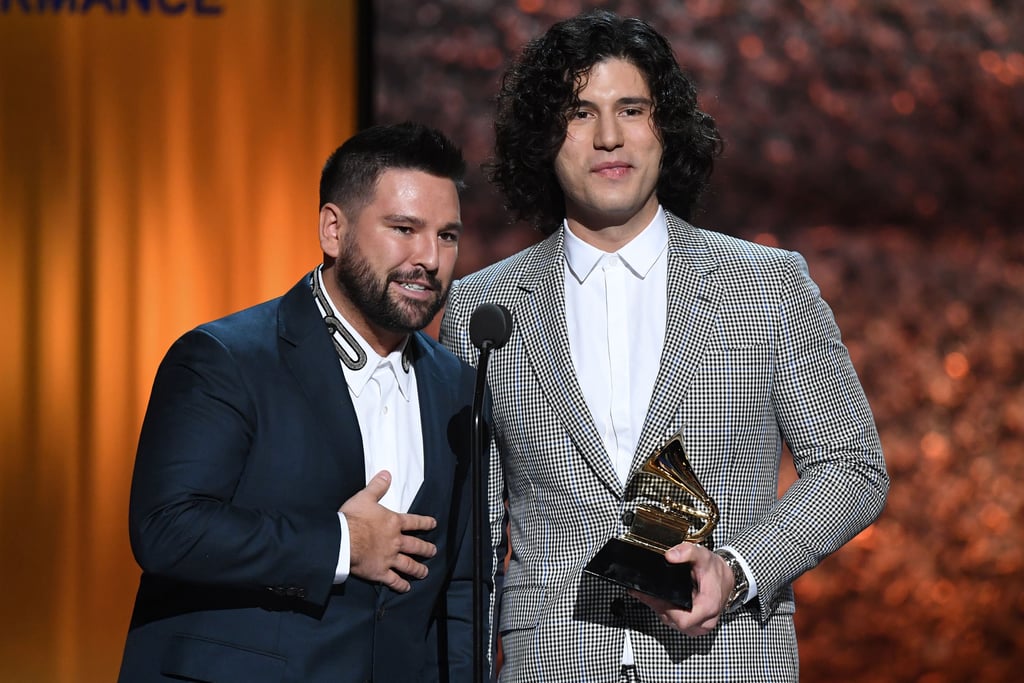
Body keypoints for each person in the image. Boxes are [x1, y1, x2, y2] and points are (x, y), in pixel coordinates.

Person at [440, 10, 889, 682]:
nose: (609, 137)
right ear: (544, 135)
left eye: (631, 109)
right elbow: (471, 537)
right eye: (580, 112)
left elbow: (851, 465)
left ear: (665, 126)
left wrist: (739, 568)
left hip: (726, 660)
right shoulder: (484, 306)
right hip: (553, 662)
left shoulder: (765, 285)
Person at [119, 122, 482, 682]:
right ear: (333, 230)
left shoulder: (456, 386)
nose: (430, 258)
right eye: (404, 228)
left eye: (448, 235)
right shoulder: (226, 358)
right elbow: (168, 528)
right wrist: (341, 544)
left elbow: (459, 590)